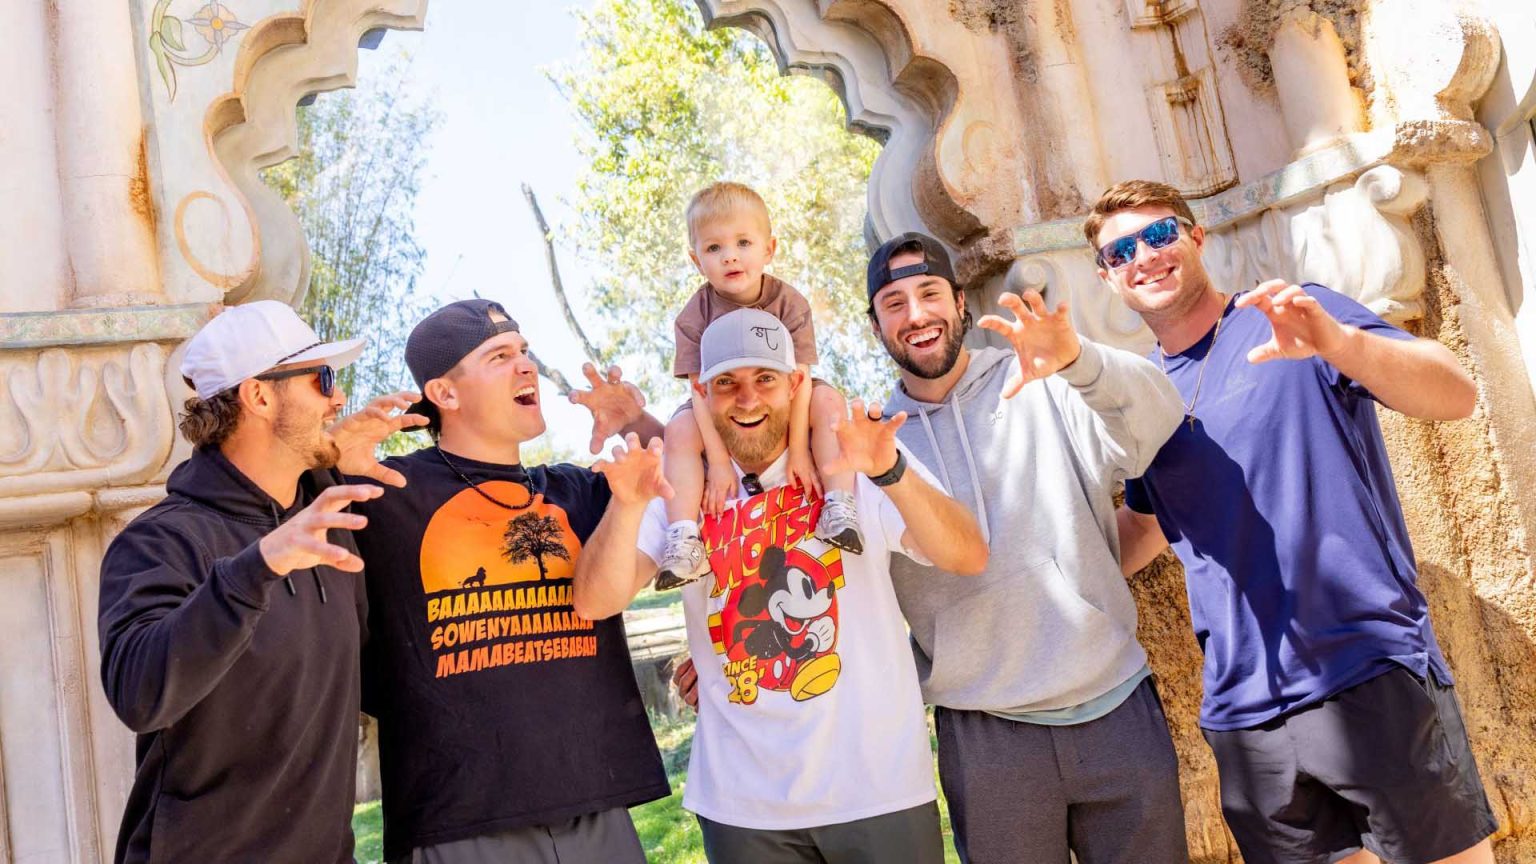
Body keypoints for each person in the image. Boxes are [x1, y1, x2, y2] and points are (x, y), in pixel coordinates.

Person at [1094, 179, 1494, 864]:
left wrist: (1338, 342)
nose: (1144, 256)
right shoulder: (1142, 397)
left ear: (1195, 238)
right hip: (1244, 714)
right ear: (1108, 279)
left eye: (1159, 234)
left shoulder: (1291, 317)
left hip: (1366, 662)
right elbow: (1141, 531)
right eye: (1120, 250)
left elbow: (1454, 394)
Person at [574, 307, 989, 864]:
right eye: (728, 383)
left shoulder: (851, 457)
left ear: (796, 384)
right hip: (743, 805)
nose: (747, 399)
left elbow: (967, 554)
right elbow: (595, 600)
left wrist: (891, 471)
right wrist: (627, 506)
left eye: (765, 379)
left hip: (877, 789)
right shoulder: (680, 490)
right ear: (702, 392)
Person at [869, 232, 1191, 863]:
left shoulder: (1041, 378)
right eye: (894, 303)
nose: (916, 315)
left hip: (1115, 706)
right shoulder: (875, 448)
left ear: (960, 303)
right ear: (876, 325)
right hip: (985, 733)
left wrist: (1078, 361)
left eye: (929, 293)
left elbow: (1157, 428)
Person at [98, 300, 424, 863]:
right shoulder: (160, 542)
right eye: (322, 380)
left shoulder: (323, 525)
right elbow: (139, 694)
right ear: (258, 395)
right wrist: (256, 568)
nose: (339, 398)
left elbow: (378, 680)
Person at [352, 298, 671, 864]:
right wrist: (330, 452)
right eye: (499, 356)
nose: (526, 365)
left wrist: (639, 424)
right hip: (458, 822)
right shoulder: (384, 494)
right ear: (444, 394)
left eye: (524, 351)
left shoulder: (583, 492)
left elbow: (707, 484)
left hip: (595, 806)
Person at [656, 182, 862, 589]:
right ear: (697, 260)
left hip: (784, 393)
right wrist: (716, 461)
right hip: (718, 401)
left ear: (769, 249)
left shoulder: (789, 304)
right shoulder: (693, 317)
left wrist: (799, 452)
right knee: (678, 430)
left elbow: (800, 382)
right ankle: (683, 537)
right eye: (714, 249)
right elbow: (698, 393)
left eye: (743, 242)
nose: (730, 255)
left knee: (829, 403)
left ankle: (840, 504)